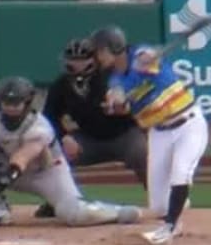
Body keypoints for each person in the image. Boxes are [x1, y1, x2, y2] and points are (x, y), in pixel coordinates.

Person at [0, 76, 142, 228]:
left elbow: (23, 157)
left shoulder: (39, 127)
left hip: (46, 174)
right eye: (7, 102)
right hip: (12, 171)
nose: (11, 107)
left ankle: (117, 212)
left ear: (27, 103)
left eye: (16, 103)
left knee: (74, 214)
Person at [90, 24, 208, 245]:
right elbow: (118, 98)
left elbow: (148, 55)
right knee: (157, 206)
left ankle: (170, 227)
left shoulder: (140, 56)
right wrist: (116, 102)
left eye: (100, 50)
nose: (97, 56)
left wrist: (148, 58)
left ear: (114, 48)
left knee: (181, 173)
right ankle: (176, 209)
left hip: (188, 125)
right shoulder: (116, 78)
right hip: (159, 133)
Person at [34, 37, 146, 218]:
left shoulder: (111, 76)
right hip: (88, 138)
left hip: (123, 134)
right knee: (55, 153)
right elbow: (49, 117)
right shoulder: (61, 84)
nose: (76, 64)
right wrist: (63, 136)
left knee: (142, 152)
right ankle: (57, 201)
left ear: (93, 59)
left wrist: (123, 108)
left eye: (82, 59)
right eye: (72, 59)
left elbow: (134, 100)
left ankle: (161, 199)